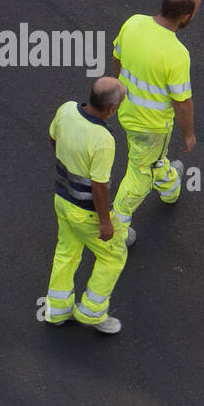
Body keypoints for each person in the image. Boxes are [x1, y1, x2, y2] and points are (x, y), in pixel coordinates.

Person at [109, 0, 200, 245]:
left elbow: (116, 58)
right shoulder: (177, 54)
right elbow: (182, 103)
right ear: (185, 15)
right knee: (139, 174)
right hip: (152, 128)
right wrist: (189, 135)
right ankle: (117, 226)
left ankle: (169, 186)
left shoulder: (134, 23)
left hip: (127, 113)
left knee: (151, 161)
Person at [44, 77, 128, 333]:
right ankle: (92, 313)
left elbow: (53, 138)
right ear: (111, 110)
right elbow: (99, 186)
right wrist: (105, 221)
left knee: (67, 252)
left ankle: (57, 311)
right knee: (113, 256)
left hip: (62, 198)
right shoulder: (103, 139)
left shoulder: (67, 109)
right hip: (85, 212)